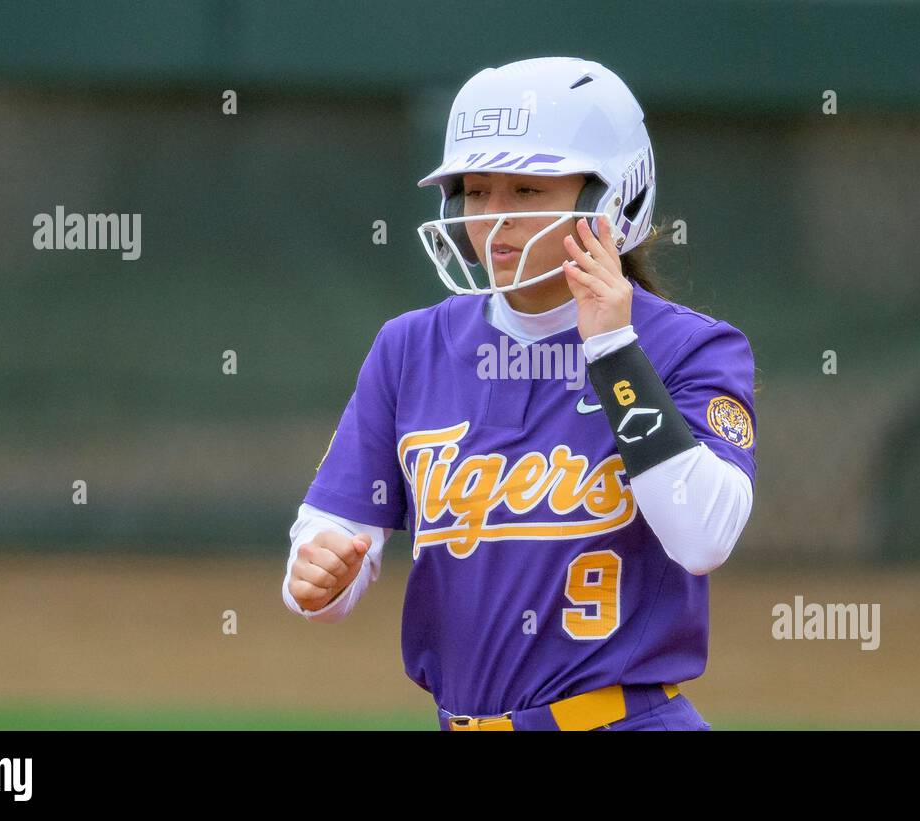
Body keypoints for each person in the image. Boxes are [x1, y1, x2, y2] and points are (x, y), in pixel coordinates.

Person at [283, 57, 757, 731]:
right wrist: (320, 575)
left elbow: (704, 536)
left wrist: (613, 351)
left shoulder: (687, 346)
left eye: (526, 190)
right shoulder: (410, 346)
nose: (493, 218)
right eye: (476, 191)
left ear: (611, 197)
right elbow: (333, 533)